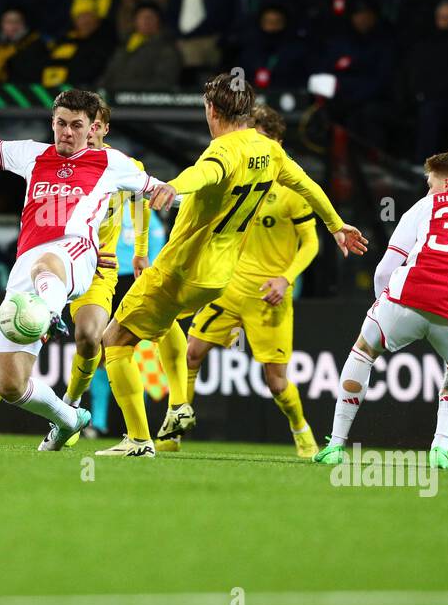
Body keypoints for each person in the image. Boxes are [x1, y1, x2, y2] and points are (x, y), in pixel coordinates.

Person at [0, 56, 176, 452]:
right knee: (10, 383)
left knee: (54, 268)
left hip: (80, 256)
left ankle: (51, 317)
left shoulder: (112, 163)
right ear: (53, 122)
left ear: (92, 129)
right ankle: (68, 418)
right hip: (27, 264)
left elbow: (163, 191)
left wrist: (191, 194)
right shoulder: (31, 155)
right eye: (61, 123)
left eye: (76, 126)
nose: (67, 133)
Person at [98, 73, 366, 457]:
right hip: (219, 280)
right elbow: (307, 184)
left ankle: (139, 440)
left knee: (115, 342)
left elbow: (205, 173)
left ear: (211, 109)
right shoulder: (270, 152)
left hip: (181, 269)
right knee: (168, 328)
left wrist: (174, 185)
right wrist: (336, 226)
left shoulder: (221, 150)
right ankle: (177, 410)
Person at [314, 150, 448, 470]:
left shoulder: (427, 205)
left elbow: (383, 270)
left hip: (407, 301)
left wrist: (382, 312)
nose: (428, 190)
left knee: (363, 352)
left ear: (446, 184)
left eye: (431, 183)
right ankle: (440, 449)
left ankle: (336, 445)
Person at [162, 105, 323, 458]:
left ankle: (301, 430)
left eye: (263, 140)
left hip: (269, 293)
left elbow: (311, 242)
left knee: (276, 382)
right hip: (228, 284)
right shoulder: (239, 173)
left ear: (278, 143)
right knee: (191, 353)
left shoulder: (292, 189)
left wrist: (286, 277)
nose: (255, 147)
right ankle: (173, 432)